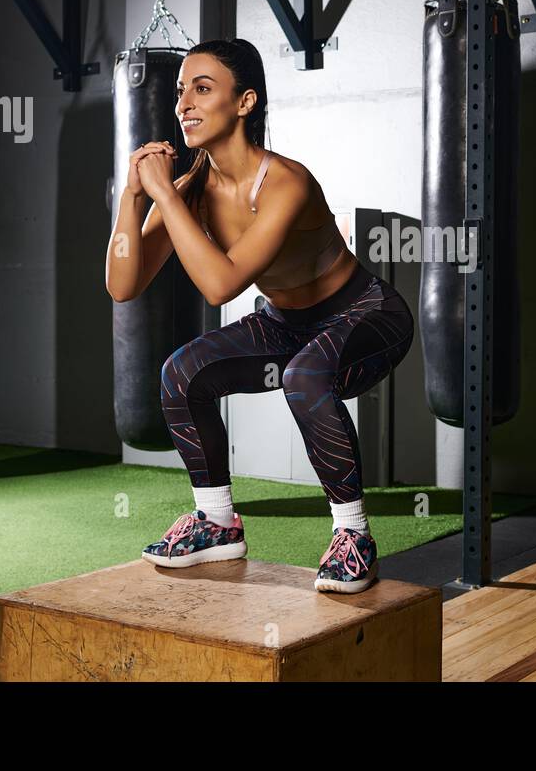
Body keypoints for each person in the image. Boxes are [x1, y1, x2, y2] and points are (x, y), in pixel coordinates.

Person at [104, 38, 414, 593]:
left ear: (244, 102)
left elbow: (221, 286)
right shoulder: (190, 191)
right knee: (181, 371)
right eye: (180, 93)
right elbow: (123, 285)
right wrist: (132, 197)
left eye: (202, 89)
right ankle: (216, 521)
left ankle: (354, 536)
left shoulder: (285, 182)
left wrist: (164, 197)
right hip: (285, 323)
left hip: (364, 315)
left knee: (304, 376)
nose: (183, 106)